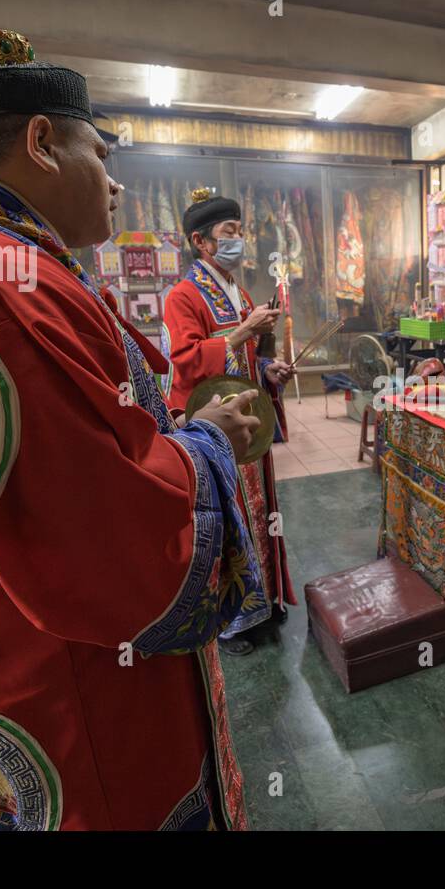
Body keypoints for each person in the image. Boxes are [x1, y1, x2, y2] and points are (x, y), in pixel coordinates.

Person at [0, 30, 264, 830]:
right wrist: (207, 437)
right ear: (42, 143)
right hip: (71, 690)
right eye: (103, 157)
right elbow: (98, 528)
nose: (115, 186)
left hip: (22, 656)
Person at [162, 191, 297, 656]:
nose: (239, 240)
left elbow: (243, 356)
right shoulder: (181, 296)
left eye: (240, 232)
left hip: (245, 417)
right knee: (226, 515)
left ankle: (263, 599)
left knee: (257, 512)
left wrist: (267, 370)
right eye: (229, 233)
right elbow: (184, 360)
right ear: (201, 242)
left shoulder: (236, 291)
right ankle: (231, 621)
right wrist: (243, 331)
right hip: (209, 424)